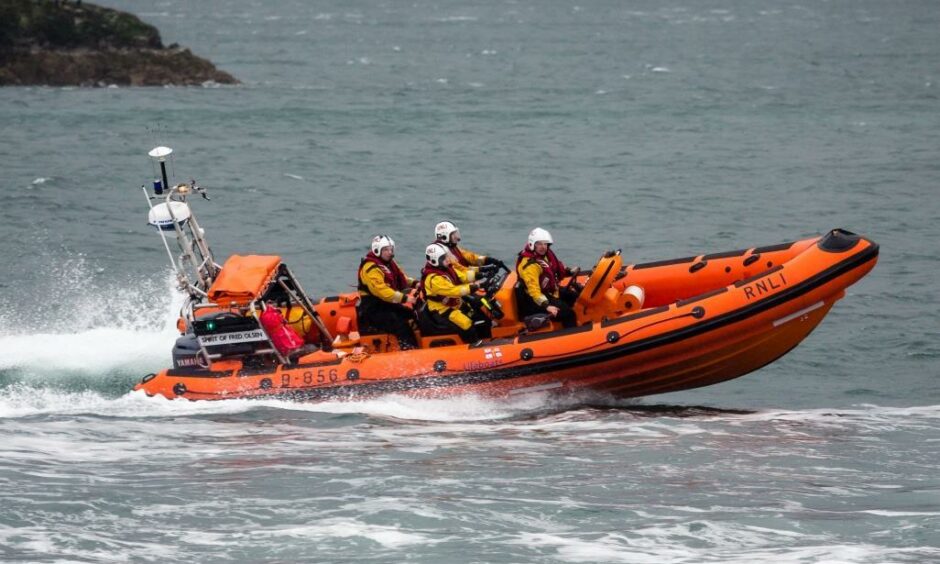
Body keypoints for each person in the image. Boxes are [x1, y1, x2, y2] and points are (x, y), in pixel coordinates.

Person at [419, 243, 491, 345]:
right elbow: (454, 291)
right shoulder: (434, 278)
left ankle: (485, 337)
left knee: (476, 315)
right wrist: (475, 286)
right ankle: (475, 345)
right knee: (465, 323)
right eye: (444, 258)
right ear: (435, 260)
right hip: (442, 310)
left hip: (455, 304)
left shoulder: (446, 268)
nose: (448, 259)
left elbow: (463, 276)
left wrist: (481, 275)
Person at [356, 234, 418, 350]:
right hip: (373, 309)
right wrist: (405, 298)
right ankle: (408, 349)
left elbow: (402, 278)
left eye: (391, 249)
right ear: (377, 250)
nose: (390, 252)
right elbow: (382, 291)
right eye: (385, 250)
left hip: (386, 304)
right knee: (400, 324)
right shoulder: (371, 268)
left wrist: (415, 283)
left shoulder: (389, 263)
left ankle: (416, 345)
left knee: (412, 314)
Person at [515, 227, 579, 328]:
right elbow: (534, 291)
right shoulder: (530, 266)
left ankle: (561, 325)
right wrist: (547, 306)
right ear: (533, 244)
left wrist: (569, 271)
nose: (543, 247)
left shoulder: (542, 255)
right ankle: (572, 337)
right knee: (569, 314)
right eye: (539, 244)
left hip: (548, 291)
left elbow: (554, 267)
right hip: (535, 300)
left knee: (573, 295)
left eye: (545, 244)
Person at [434, 221, 507, 278]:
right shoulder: (443, 255)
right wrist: (484, 270)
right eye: (453, 235)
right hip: (455, 286)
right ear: (445, 236)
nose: (457, 237)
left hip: (464, 281)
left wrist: (490, 260)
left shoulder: (453, 248)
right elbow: (461, 270)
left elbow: (470, 257)